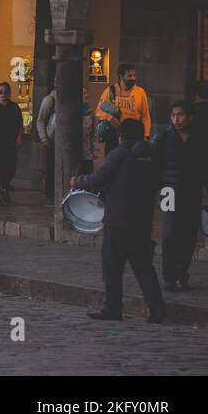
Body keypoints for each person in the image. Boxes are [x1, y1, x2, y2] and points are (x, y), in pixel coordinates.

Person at [73, 118, 166, 323]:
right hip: (142, 220)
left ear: (121, 135)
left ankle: (113, 308)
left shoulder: (120, 152)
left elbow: (98, 178)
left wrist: (77, 181)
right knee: (143, 267)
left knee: (112, 266)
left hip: (118, 220)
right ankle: (157, 308)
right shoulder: (152, 155)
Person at [156, 101, 203, 291]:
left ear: (190, 117)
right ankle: (169, 275)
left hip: (192, 191)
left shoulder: (200, 138)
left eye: (180, 115)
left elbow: (207, 166)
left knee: (189, 234)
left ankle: (182, 271)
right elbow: (154, 165)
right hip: (169, 191)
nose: (176, 119)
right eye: (173, 115)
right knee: (169, 233)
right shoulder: (164, 138)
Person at [96, 62, 151, 144]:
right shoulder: (111, 91)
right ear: (121, 76)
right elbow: (98, 111)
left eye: (134, 75)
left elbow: (145, 116)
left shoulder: (140, 92)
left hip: (134, 137)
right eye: (129, 76)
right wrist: (109, 118)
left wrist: (146, 135)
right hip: (114, 136)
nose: (133, 78)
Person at [35, 85, 58, 203]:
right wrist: (44, 138)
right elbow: (40, 120)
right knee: (51, 169)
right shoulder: (50, 100)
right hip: (52, 139)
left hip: (64, 139)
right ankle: (50, 196)